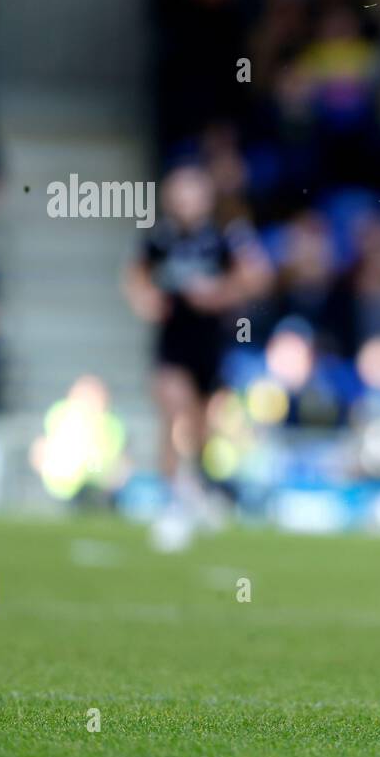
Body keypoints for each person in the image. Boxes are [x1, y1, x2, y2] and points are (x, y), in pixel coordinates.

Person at [122, 165, 270, 531]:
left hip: (209, 344)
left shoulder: (224, 236)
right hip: (173, 343)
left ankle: (194, 489)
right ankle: (170, 497)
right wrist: (145, 299)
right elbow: (136, 274)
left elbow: (257, 277)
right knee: (174, 413)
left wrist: (220, 293)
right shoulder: (161, 237)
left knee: (202, 426)